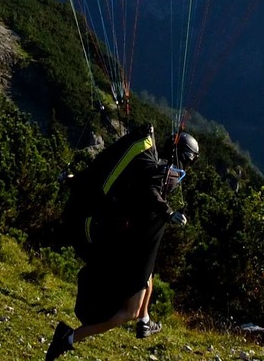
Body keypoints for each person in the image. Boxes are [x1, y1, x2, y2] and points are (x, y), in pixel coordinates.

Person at [44, 127, 199, 360]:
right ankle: (67, 338)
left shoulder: (146, 165)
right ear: (186, 158)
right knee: (128, 312)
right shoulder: (161, 173)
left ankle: (145, 322)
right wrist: (168, 213)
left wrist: (73, 181)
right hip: (129, 251)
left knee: (149, 276)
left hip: (129, 245)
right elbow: (151, 192)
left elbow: (111, 179)